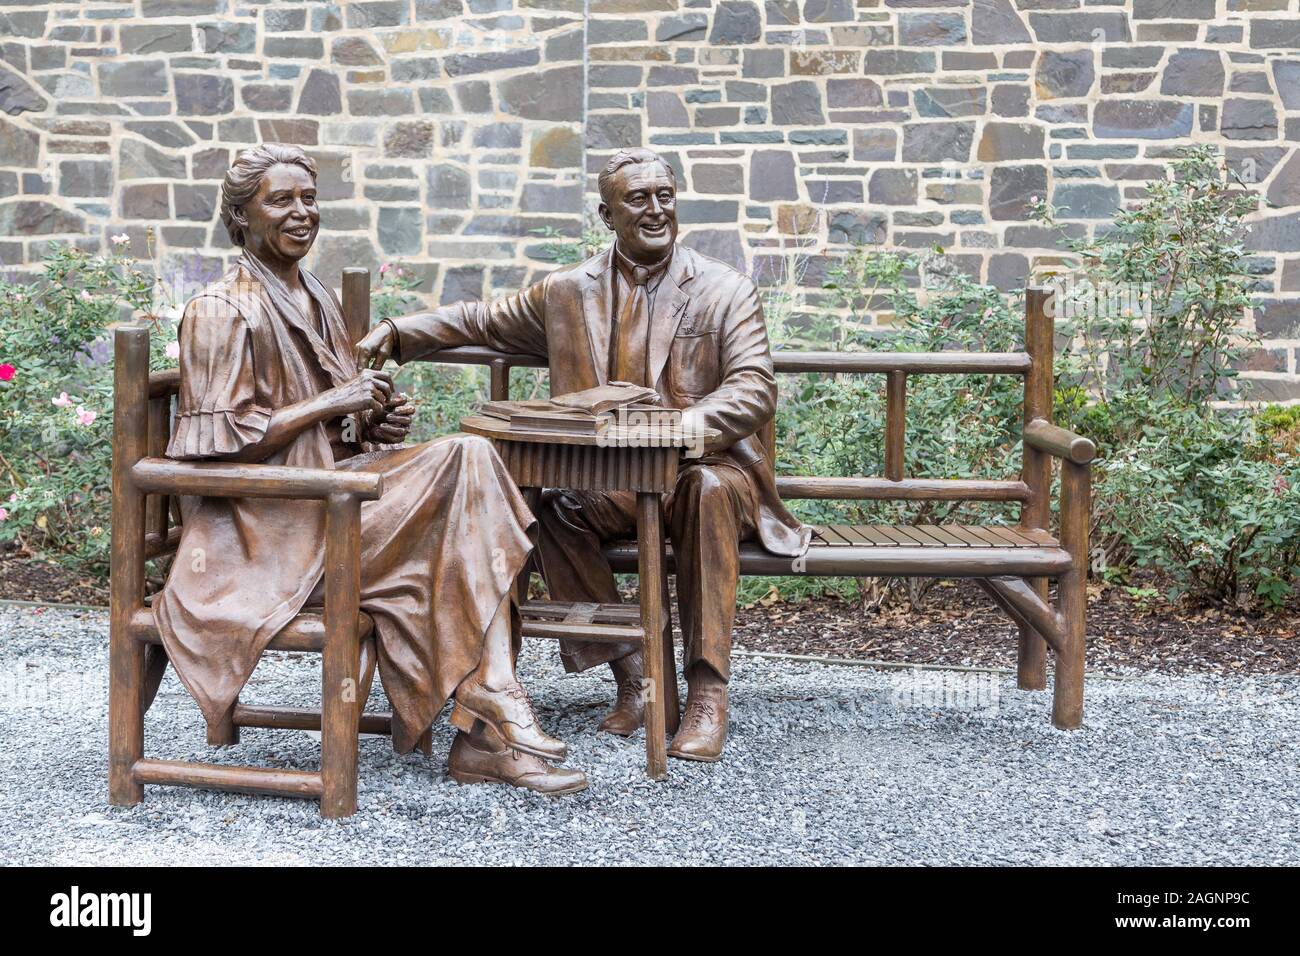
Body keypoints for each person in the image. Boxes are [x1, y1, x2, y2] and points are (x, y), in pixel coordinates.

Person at [154, 143, 585, 795]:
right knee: (465, 475)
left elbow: (325, 426)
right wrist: (333, 402)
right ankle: (488, 717)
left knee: (471, 467)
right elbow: (218, 448)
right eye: (281, 200)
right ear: (241, 218)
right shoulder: (221, 310)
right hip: (269, 536)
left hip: (335, 503)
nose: (302, 212)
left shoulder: (317, 299)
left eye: (309, 198)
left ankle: (486, 723)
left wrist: (367, 422)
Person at [357, 147, 810, 762]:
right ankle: (637, 677)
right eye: (637, 199)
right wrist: (400, 332)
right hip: (609, 480)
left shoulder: (724, 289)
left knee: (704, 495)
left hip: (703, 471)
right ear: (607, 213)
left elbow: (754, 386)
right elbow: (482, 320)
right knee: (550, 504)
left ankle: (707, 692)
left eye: (664, 196)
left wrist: (678, 429)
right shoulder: (569, 293)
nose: (655, 210)